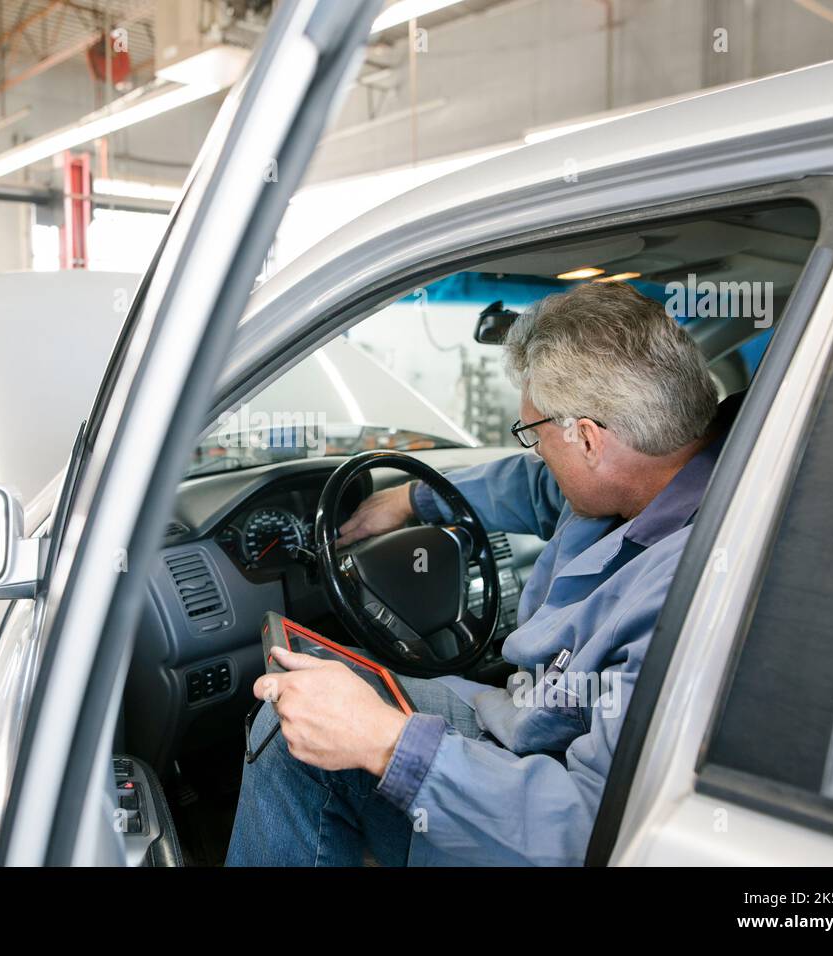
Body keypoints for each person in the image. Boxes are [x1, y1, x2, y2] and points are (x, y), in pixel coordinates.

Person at [225, 281, 731, 866]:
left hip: (546, 809)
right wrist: (411, 499)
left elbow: (593, 833)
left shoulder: (688, 589)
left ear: (588, 438)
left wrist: (386, 745)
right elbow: (534, 485)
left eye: (536, 437)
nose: (537, 455)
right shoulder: (653, 474)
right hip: (523, 724)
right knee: (314, 689)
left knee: (295, 741)